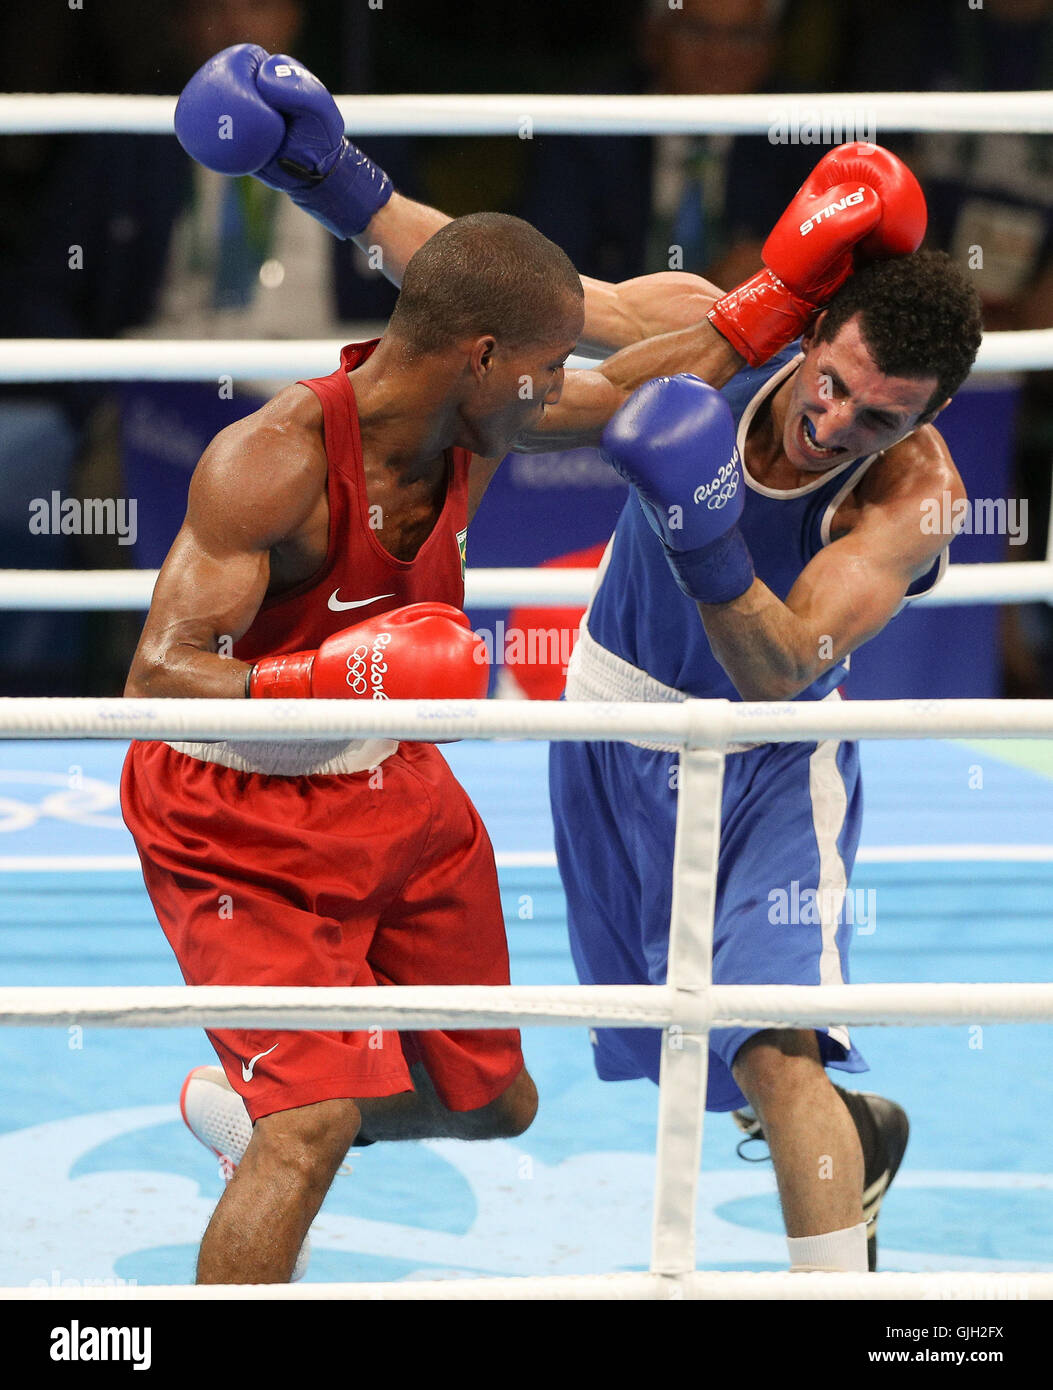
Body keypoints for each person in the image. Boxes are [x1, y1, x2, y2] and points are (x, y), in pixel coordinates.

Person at [168, 44, 977, 1277]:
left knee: (772, 1042)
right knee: (551, 1081)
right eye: (833, 385)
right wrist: (330, 175)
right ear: (813, 330)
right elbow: (503, 288)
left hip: (765, 755)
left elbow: (783, 663)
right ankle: (279, 1114)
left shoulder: (914, 501)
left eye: (881, 418)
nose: (833, 425)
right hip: (606, 725)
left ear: (925, 422)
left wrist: (710, 541)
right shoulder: (725, 322)